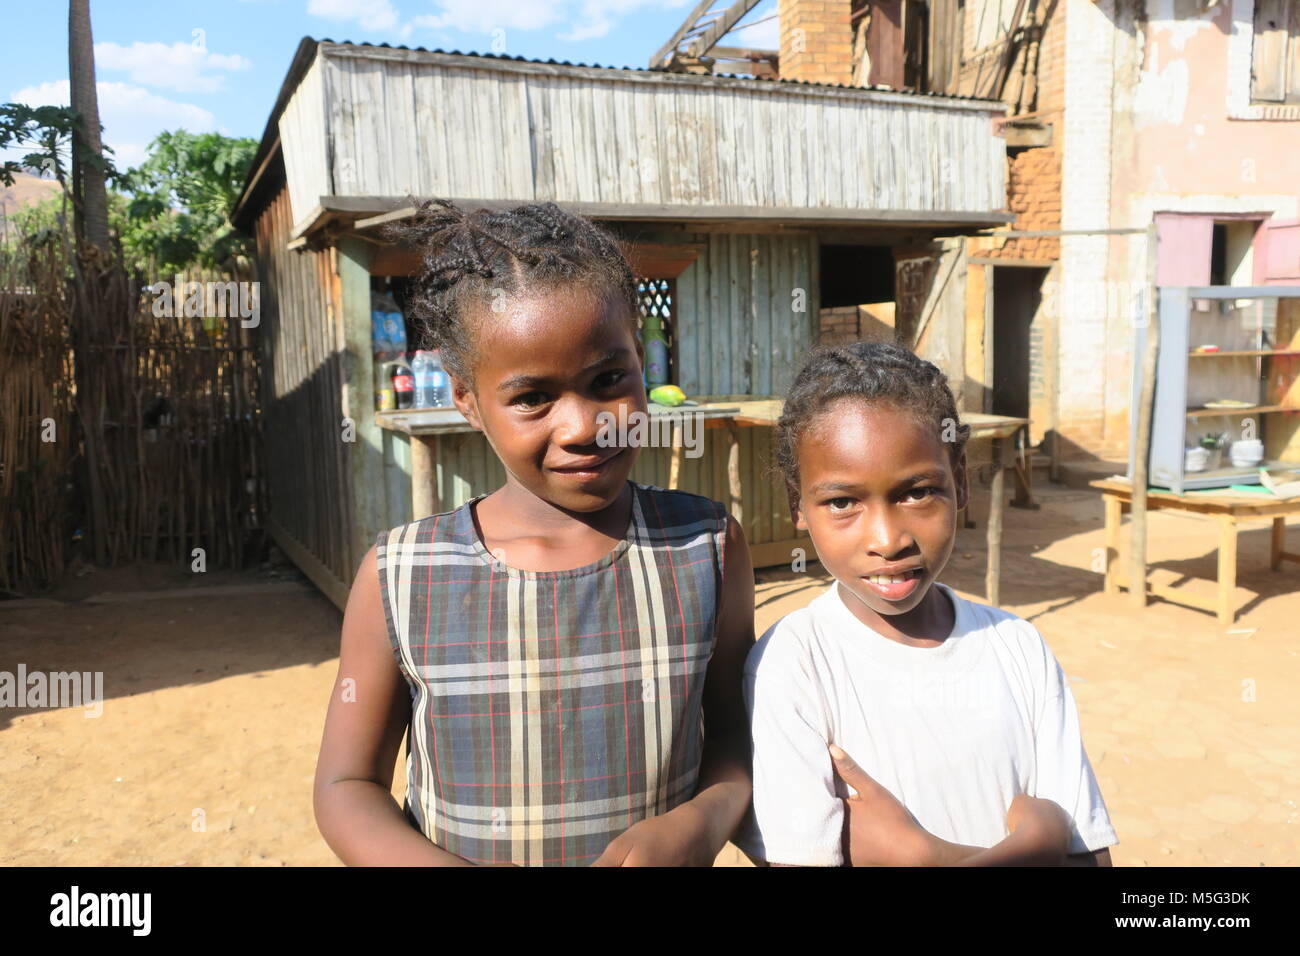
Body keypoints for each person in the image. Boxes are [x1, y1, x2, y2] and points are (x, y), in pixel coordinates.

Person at [312, 199, 753, 866]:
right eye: (531, 398)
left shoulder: (707, 547)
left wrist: (702, 820)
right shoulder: (401, 575)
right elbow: (347, 785)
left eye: (609, 379)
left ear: (641, 353)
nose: (581, 426)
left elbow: (733, 739)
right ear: (464, 396)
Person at [737, 341, 1118, 867]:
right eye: (842, 502)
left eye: (916, 492)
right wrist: (1034, 847)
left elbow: (1089, 861)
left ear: (960, 480)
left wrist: (927, 855)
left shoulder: (1018, 648)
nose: (888, 539)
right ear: (797, 506)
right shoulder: (793, 666)